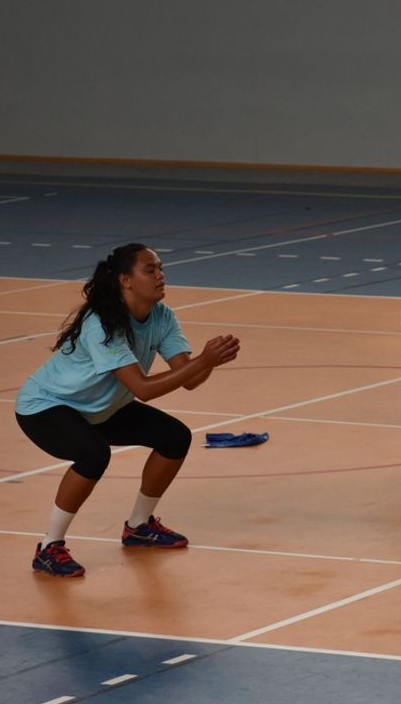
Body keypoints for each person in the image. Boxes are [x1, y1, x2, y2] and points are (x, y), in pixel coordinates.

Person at [15, 243, 241, 577]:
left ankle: (138, 527)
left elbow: (190, 378)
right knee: (93, 454)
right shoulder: (102, 324)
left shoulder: (162, 317)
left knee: (174, 437)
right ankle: (49, 547)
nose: (160, 276)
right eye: (150, 270)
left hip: (101, 409)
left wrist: (208, 362)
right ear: (125, 280)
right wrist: (203, 361)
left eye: (161, 268)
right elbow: (143, 389)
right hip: (47, 406)